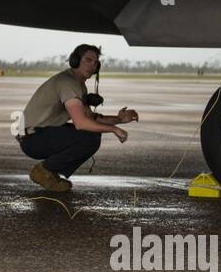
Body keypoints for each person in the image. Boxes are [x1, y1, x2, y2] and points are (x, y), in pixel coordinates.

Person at [16, 43, 138, 192]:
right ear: (75, 60)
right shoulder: (68, 83)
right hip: (33, 139)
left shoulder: (78, 84)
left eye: (96, 62)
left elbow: (90, 118)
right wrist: (114, 129)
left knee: (90, 133)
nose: (92, 65)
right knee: (89, 138)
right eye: (88, 60)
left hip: (37, 135)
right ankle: (44, 171)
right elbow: (81, 123)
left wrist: (119, 119)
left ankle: (50, 171)